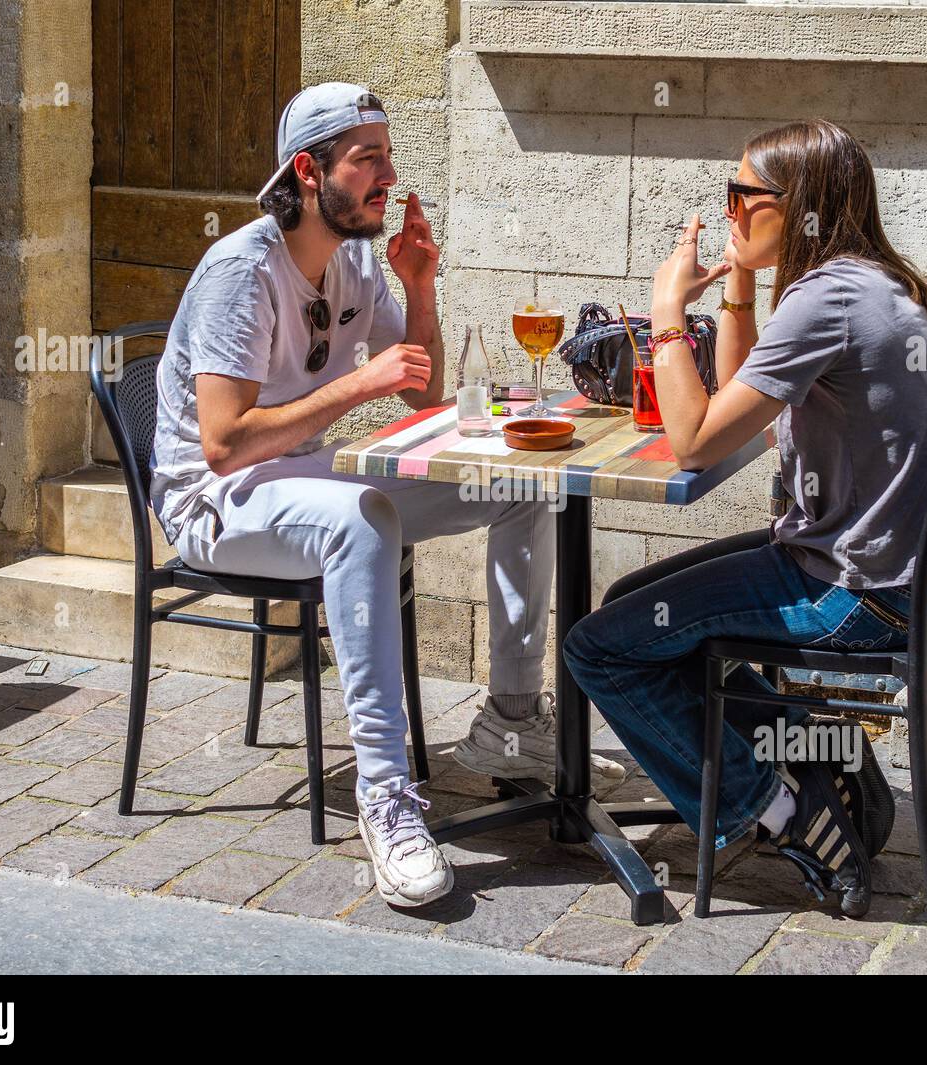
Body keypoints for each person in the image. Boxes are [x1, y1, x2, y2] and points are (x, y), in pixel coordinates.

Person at [149, 83, 621, 910]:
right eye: (368, 159)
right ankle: (387, 795)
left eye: (387, 156)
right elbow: (223, 443)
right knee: (361, 520)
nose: (388, 176)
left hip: (304, 476)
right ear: (309, 170)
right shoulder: (240, 271)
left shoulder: (359, 258)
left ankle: (511, 723)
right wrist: (354, 383)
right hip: (216, 502)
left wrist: (422, 287)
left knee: (516, 482)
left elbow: (422, 391)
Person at [563, 120, 927, 917]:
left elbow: (696, 439)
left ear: (800, 205)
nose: (731, 210)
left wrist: (666, 311)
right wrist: (740, 284)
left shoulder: (829, 302)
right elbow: (737, 391)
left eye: (744, 196)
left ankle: (782, 812)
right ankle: (825, 753)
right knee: (635, 610)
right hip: (892, 579)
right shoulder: (860, 282)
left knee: (600, 649)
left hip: (854, 593)